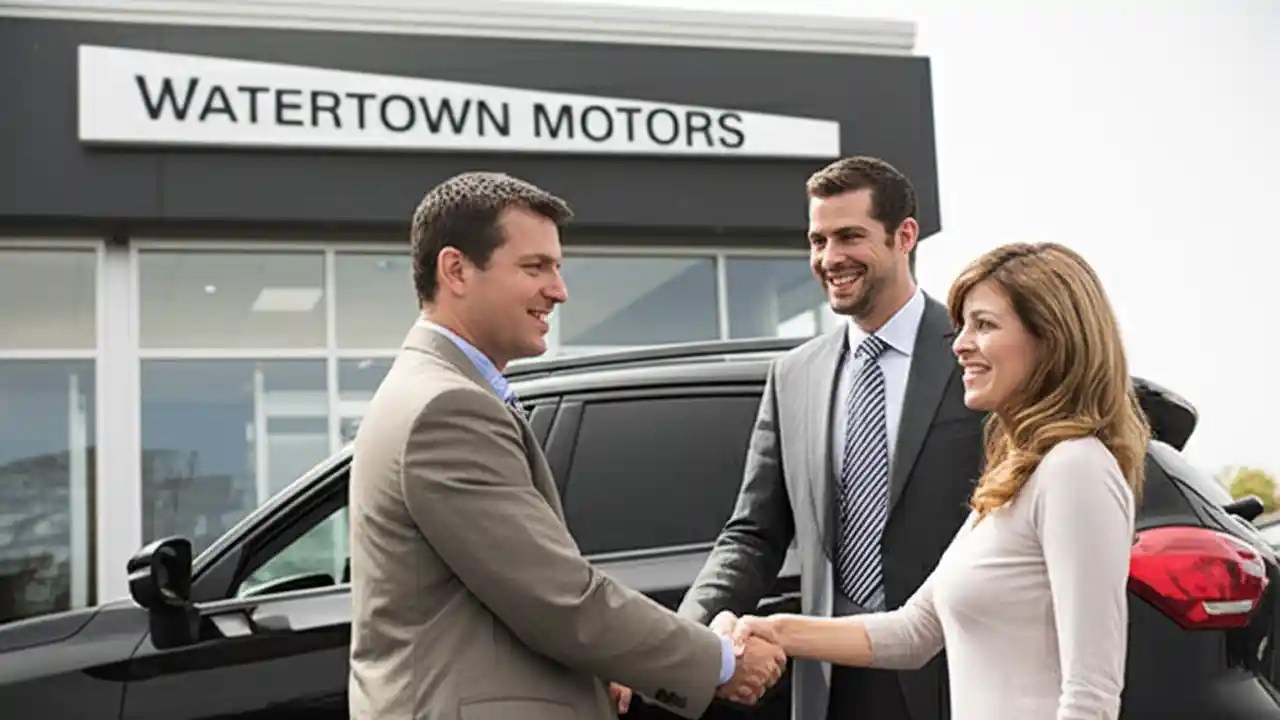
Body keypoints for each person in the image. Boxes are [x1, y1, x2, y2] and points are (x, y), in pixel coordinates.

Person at [347, 171, 785, 720]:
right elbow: (556, 598)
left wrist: (612, 663)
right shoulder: (446, 408)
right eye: (535, 267)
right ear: (455, 270)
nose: (558, 289)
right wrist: (720, 662)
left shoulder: (437, 390)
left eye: (556, 267)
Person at [732, 242, 1150, 720]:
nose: (960, 344)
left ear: (1051, 339)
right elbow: (914, 633)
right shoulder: (1015, 477)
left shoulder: (1076, 469)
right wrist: (776, 631)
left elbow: (1091, 695)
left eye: (985, 325)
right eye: (963, 324)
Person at [675, 156, 986, 720]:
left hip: (957, 674)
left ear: (904, 236)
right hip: (830, 685)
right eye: (817, 239)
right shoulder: (794, 375)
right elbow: (753, 534)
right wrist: (683, 638)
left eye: (849, 236)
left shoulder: (974, 353)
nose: (829, 258)